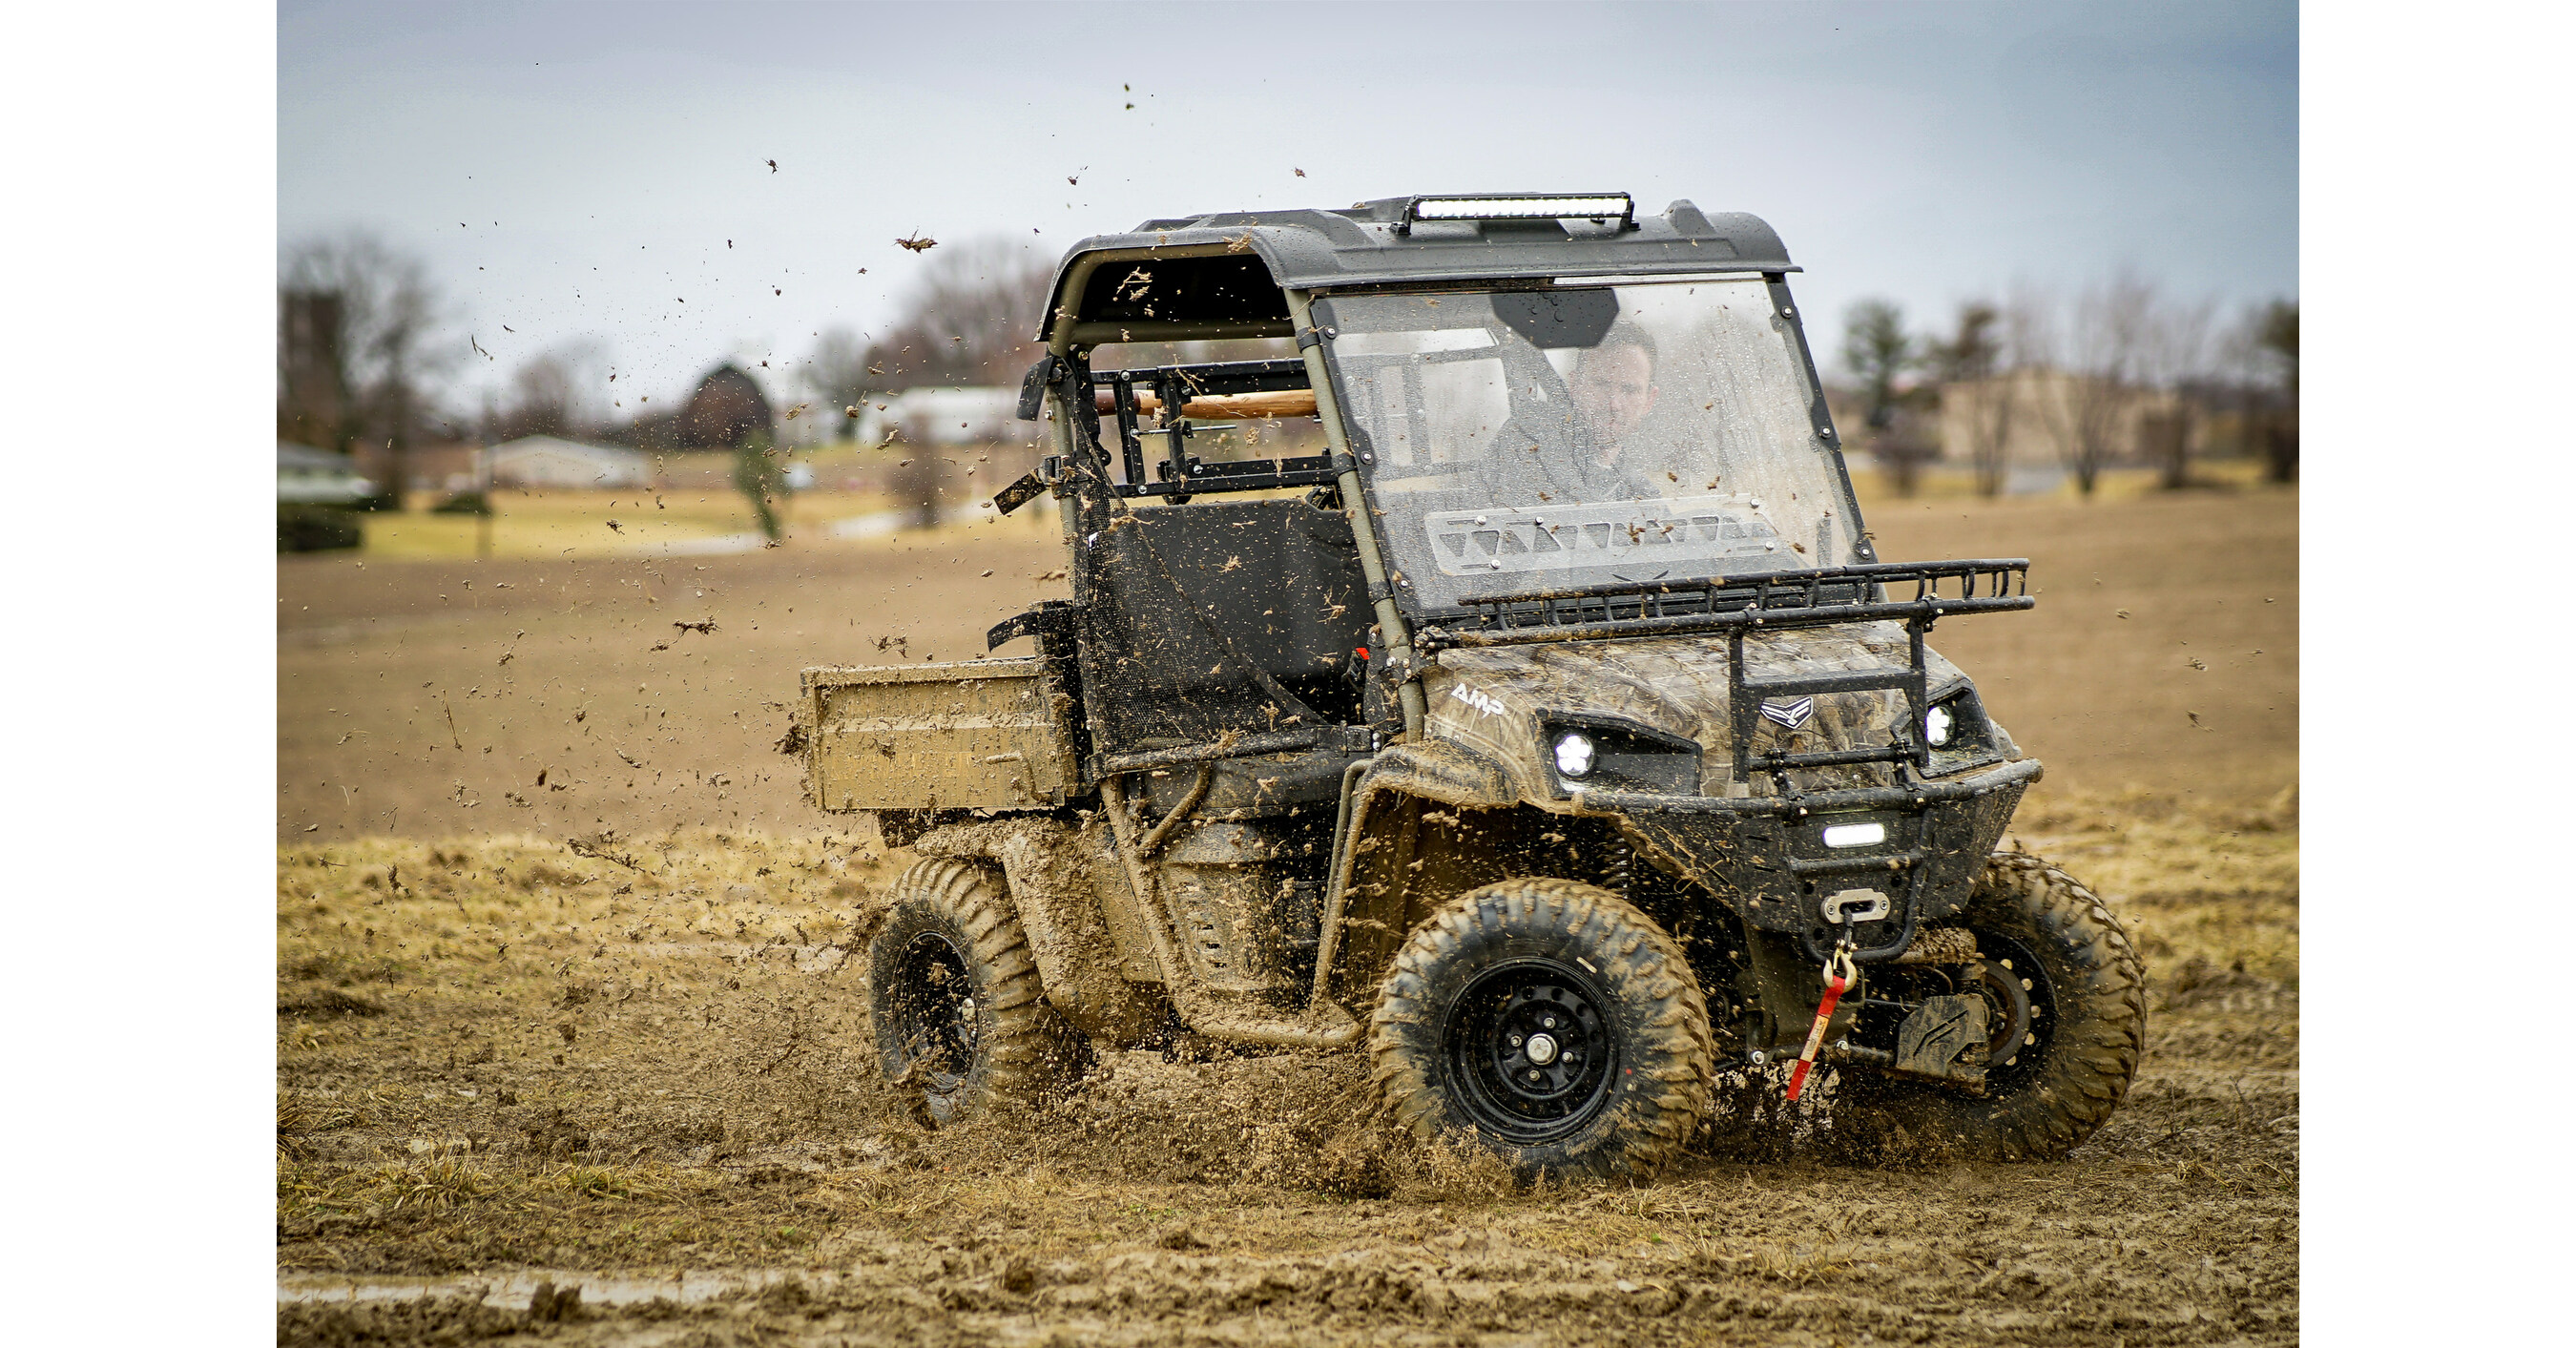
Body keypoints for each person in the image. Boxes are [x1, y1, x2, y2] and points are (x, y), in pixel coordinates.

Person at [1480, 321, 1662, 504]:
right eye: (1601, 385)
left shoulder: (1644, 498)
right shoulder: (1523, 447)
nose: (1614, 404)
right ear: (1574, 386)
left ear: (1650, 400)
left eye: (1629, 390)